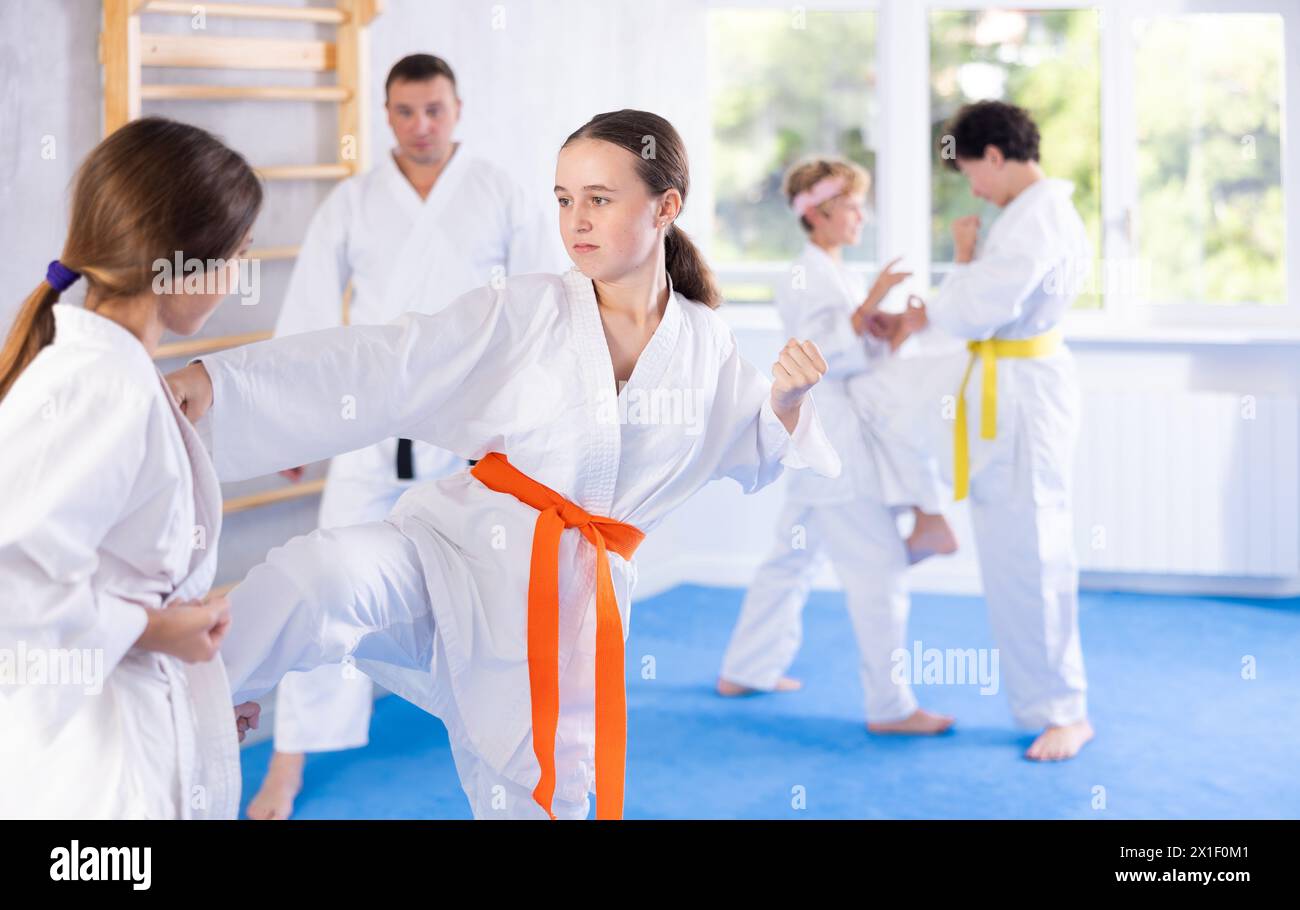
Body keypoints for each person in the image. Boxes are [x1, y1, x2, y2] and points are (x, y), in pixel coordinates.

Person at [165, 109, 841, 820]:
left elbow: (755, 450)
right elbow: (390, 359)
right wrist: (221, 386)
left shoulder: (705, 343)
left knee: (538, 797)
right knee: (316, 576)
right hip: (456, 545)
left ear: (666, 206)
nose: (575, 219)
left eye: (599, 199)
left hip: (567, 603)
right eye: (563, 199)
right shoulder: (529, 310)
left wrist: (788, 401)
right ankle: (179, 706)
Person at [250, 53, 566, 821]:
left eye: (434, 110)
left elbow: (542, 313)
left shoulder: (498, 193)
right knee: (321, 590)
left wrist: (543, 421)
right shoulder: (353, 203)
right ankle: (285, 768)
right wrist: (293, 423)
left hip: (474, 446)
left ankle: (514, 756)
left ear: (458, 108)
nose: (420, 127)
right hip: (369, 433)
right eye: (404, 112)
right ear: (385, 115)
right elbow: (314, 316)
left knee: (496, 603)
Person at [0, 117, 264, 818]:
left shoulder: (116, 370)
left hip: (128, 741)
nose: (238, 277)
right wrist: (153, 632)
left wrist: (198, 703)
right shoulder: (100, 383)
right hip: (94, 781)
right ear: (185, 260)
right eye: (238, 254)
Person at [867, 100, 1093, 761]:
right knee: (1014, 555)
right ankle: (1048, 702)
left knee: (1033, 554)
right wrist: (933, 306)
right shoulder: (1027, 215)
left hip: (1023, 396)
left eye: (972, 173)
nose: (973, 189)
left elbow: (976, 311)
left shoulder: (1037, 218)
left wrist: (942, 292)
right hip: (1013, 387)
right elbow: (974, 309)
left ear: (995, 156)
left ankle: (1064, 711)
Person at [717, 156, 955, 736]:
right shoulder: (804, 274)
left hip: (825, 444)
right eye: (851, 204)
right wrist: (870, 302)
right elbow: (819, 354)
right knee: (879, 573)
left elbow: (855, 350)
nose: (860, 215)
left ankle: (746, 669)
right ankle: (891, 707)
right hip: (836, 447)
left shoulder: (833, 272)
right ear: (819, 213)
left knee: (789, 561)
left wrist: (889, 326)